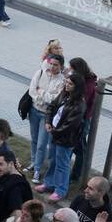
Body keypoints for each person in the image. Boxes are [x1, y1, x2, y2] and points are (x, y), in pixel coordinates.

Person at [38, 74, 85, 202]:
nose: (66, 85)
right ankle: (49, 184)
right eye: (66, 82)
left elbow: (70, 125)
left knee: (62, 164)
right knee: (53, 160)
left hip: (65, 139)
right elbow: (51, 107)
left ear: (77, 87)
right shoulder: (64, 94)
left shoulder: (79, 105)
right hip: (54, 133)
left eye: (70, 84)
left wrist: (54, 131)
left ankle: (60, 190)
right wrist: (48, 122)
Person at [26, 52, 65, 184]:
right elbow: (32, 89)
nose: (52, 67)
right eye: (51, 64)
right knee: (34, 139)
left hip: (46, 115)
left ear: (61, 66)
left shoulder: (62, 82)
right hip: (34, 110)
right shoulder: (41, 73)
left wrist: (41, 92)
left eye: (56, 65)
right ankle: (33, 162)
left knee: (42, 144)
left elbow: (54, 99)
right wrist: (40, 97)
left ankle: (37, 170)